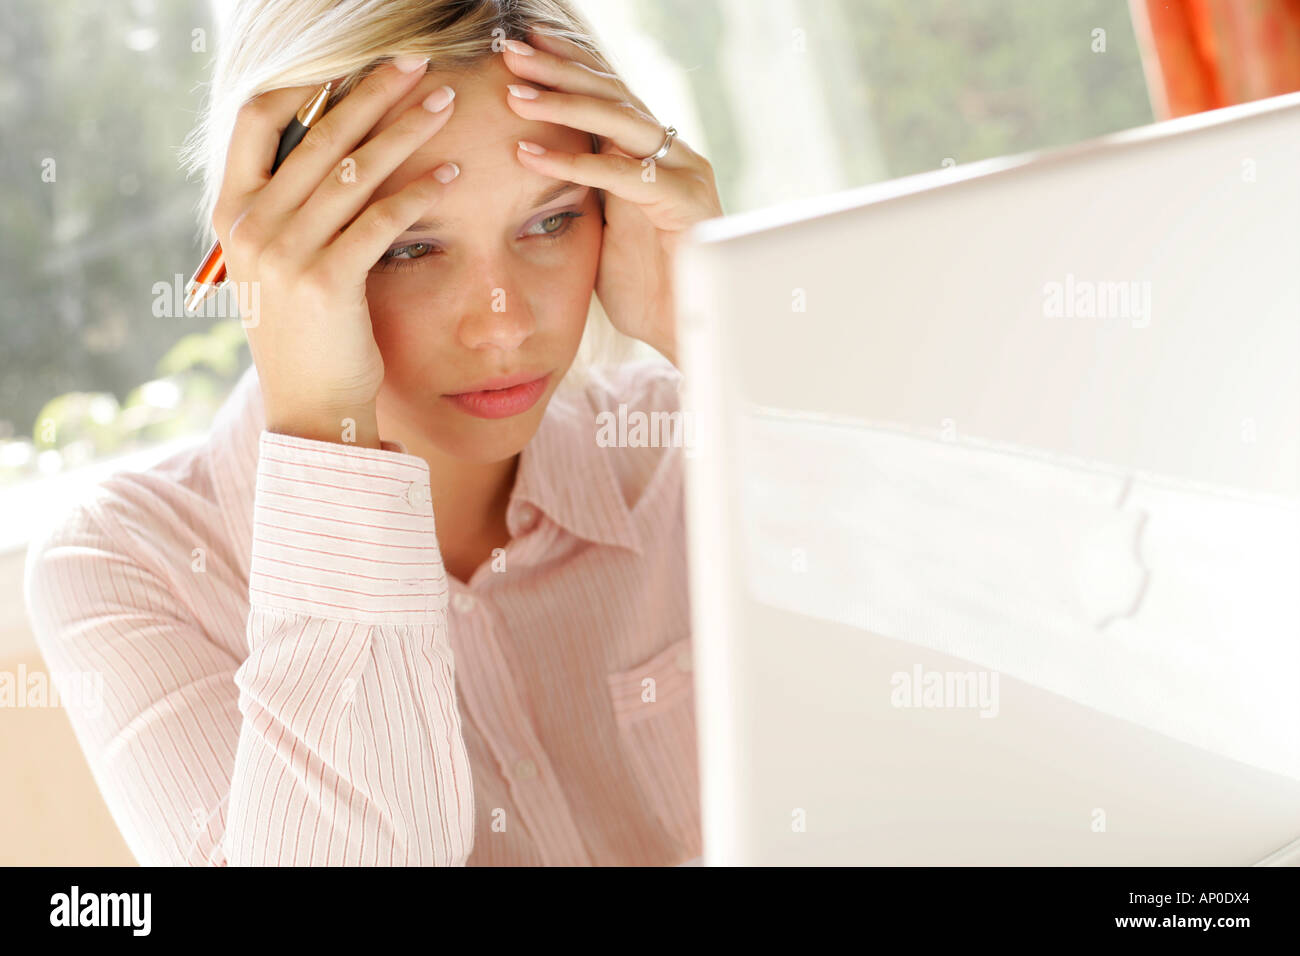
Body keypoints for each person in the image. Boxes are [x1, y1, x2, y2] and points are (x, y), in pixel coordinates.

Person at [23, 0, 723, 866]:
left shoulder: (698, 436)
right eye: (407, 248)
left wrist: (723, 331)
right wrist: (325, 426)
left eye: (551, 221)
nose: (502, 328)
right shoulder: (131, 563)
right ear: (267, 247)